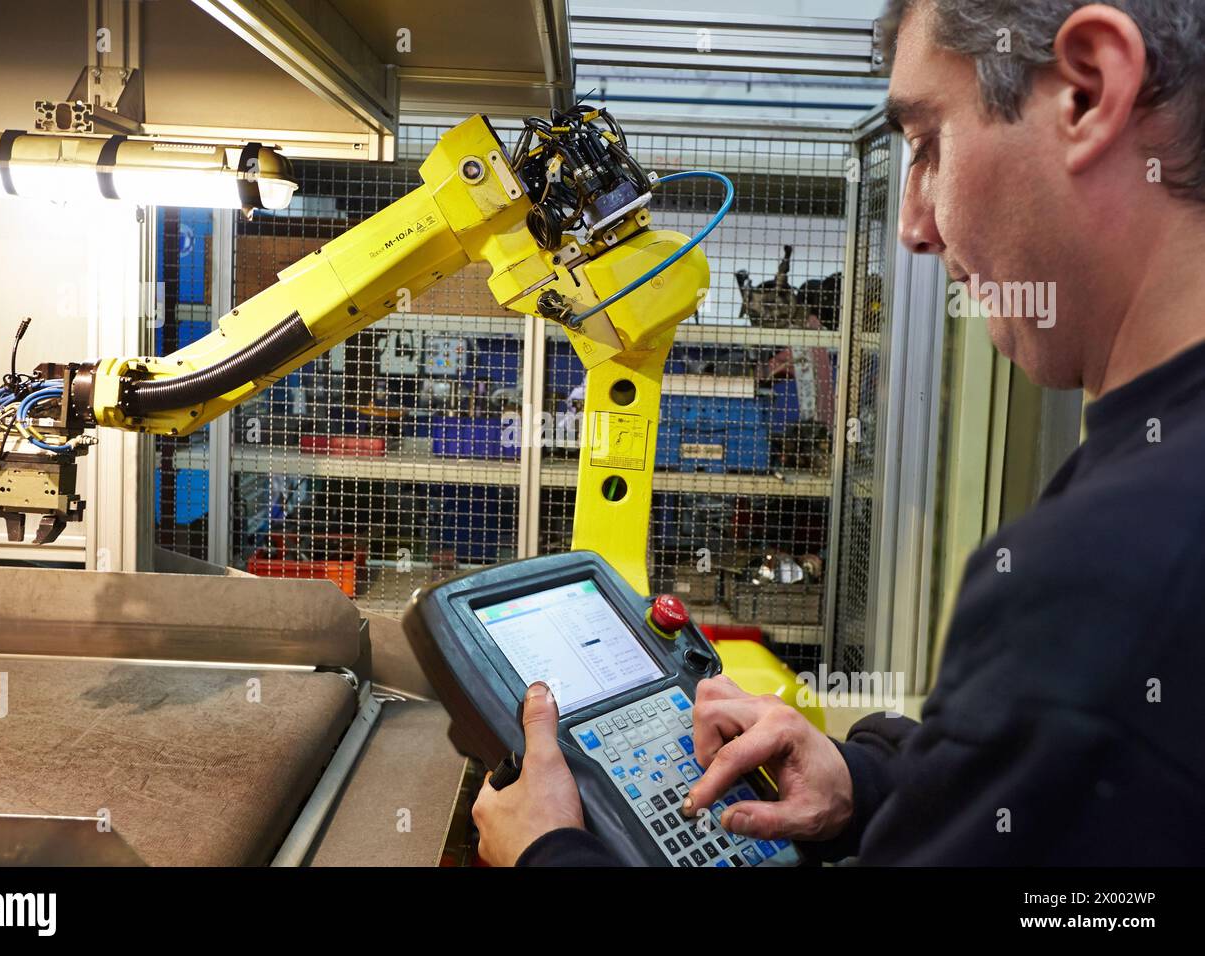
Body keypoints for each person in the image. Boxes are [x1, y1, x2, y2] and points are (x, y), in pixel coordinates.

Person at [472, 0, 1205, 866]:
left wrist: (551, 851)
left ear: (1087, 90)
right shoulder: (1147, 479)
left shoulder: (1111, 569)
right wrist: (863, 785)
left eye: (929, 144)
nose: (915, 225)